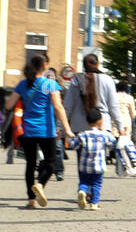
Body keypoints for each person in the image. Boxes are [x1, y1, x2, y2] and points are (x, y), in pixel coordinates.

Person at [5, 55, 73, 208]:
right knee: (51, 162)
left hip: (27, 131)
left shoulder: (23, 84)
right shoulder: (50, 84)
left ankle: (31, 200)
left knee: (30, 164)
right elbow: (58, 107)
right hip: (46, 130)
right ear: (44, 65)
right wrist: (67, 129)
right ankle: (40, 184)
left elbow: (9, 105)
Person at [66, 107, 117, 210]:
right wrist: (103, 129)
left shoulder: (83, 135)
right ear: (100, 121)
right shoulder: (104, 135)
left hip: (84, 166)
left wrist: (70, 136)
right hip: (98, 166)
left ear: (86, 122)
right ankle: (94, 203)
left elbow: (73, 145)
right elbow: (113, 143)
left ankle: (82, 191)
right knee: (96, 184)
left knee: (84, 182)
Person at [63, 54, 124, 137]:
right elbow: (113, 107)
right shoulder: (107, 80)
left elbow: (67, 106)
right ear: (98, 64)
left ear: (83, 65)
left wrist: (60, 127)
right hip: (102, 125)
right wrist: (120, 128)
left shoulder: (76, 80)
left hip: (79, 126)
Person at [113, 82, 136, 174]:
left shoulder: (113, 96)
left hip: (114, 121)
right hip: (125, 122)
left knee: (117, 143)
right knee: (125, 144)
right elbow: (133, 114)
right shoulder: (129, 98)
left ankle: (119, 164)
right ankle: (125, 164)